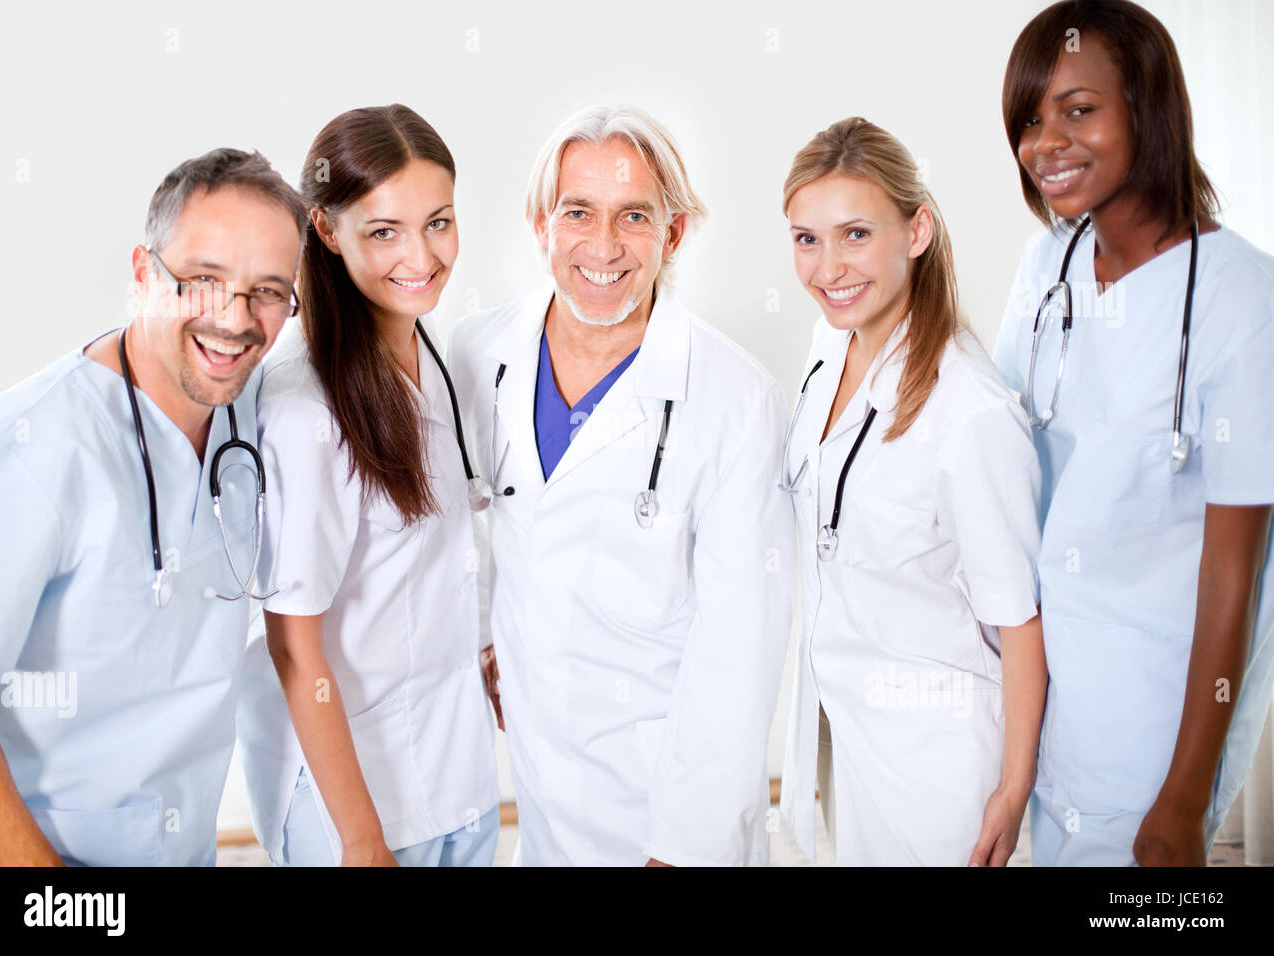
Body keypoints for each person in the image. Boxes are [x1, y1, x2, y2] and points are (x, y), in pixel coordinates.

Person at [448, 105, 794, 866]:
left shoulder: (737, 398)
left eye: (633, 216)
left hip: (668, 801)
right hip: (538, 790)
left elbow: (740, 648)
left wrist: (685, 845)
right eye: (579, 212)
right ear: (542, 224)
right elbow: (462, 523)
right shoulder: (477, 356)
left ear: (672, 235)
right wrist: (481, 640)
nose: (603, 247)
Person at [995, 0, 1274, 866]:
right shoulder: (1049, 263)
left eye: (1079, 110)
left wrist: (1184, 799)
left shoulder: (1243, 302)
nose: (1047, 143)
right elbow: (998, 429)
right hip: (1045, 698)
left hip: (1156, 720)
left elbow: (1235, 568)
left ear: (1148, 108)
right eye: (1030, 120)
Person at [0, 148, 305, 866]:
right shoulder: (30, 448)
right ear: (141, 273)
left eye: (268, 291)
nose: (234, 319)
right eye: (204, 280)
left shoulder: (254, 419)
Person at [776, 118, 1047, 866]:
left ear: (916, 230)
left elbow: (1020, 621)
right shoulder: (830, 344)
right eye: (806, 238)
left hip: (942, 762)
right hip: (849, 737)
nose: (827, 267)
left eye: (855, 234)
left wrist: (1012, 787)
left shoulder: (970, 414)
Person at [235, 105, 501, 867]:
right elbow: (294, 648)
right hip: (358, 807)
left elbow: (440, 546)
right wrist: (360, 842)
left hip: (459, 777)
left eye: (439, 222)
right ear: (325, 229)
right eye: (383, 231)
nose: (421, 256)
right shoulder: (303, 404)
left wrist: (480, 645)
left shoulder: (428, 348)